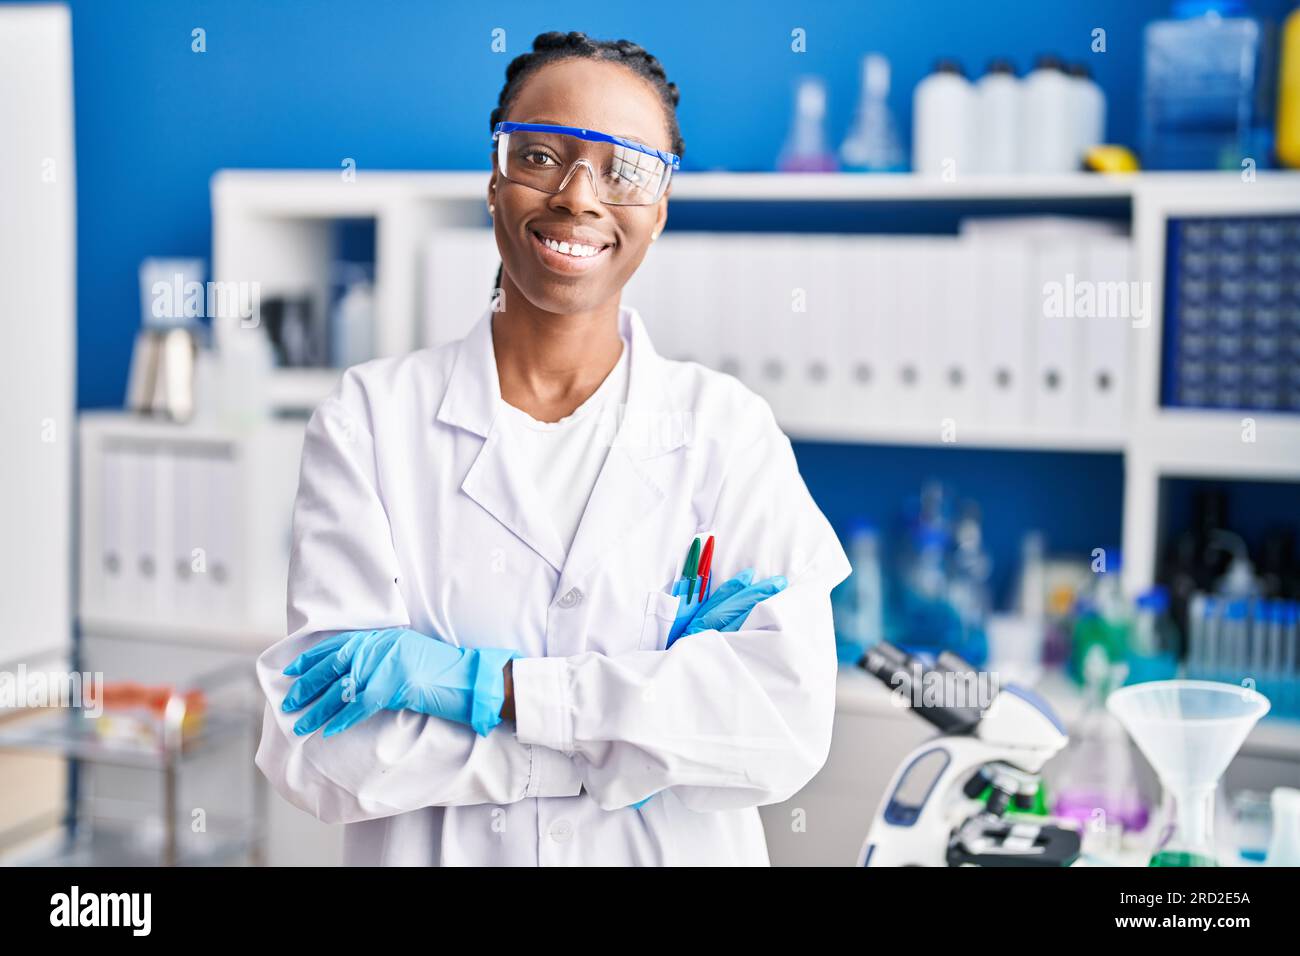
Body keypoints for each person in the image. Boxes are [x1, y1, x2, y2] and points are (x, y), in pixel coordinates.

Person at [254, 30, 851, 866]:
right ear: (494, 180)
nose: (579, 195)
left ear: (660, 209)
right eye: (540, 155)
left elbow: (781, 729)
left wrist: (484, 690)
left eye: (624, 169)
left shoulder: (727, 432)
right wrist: (640, 733)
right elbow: (330, 755)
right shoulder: (371, 420)